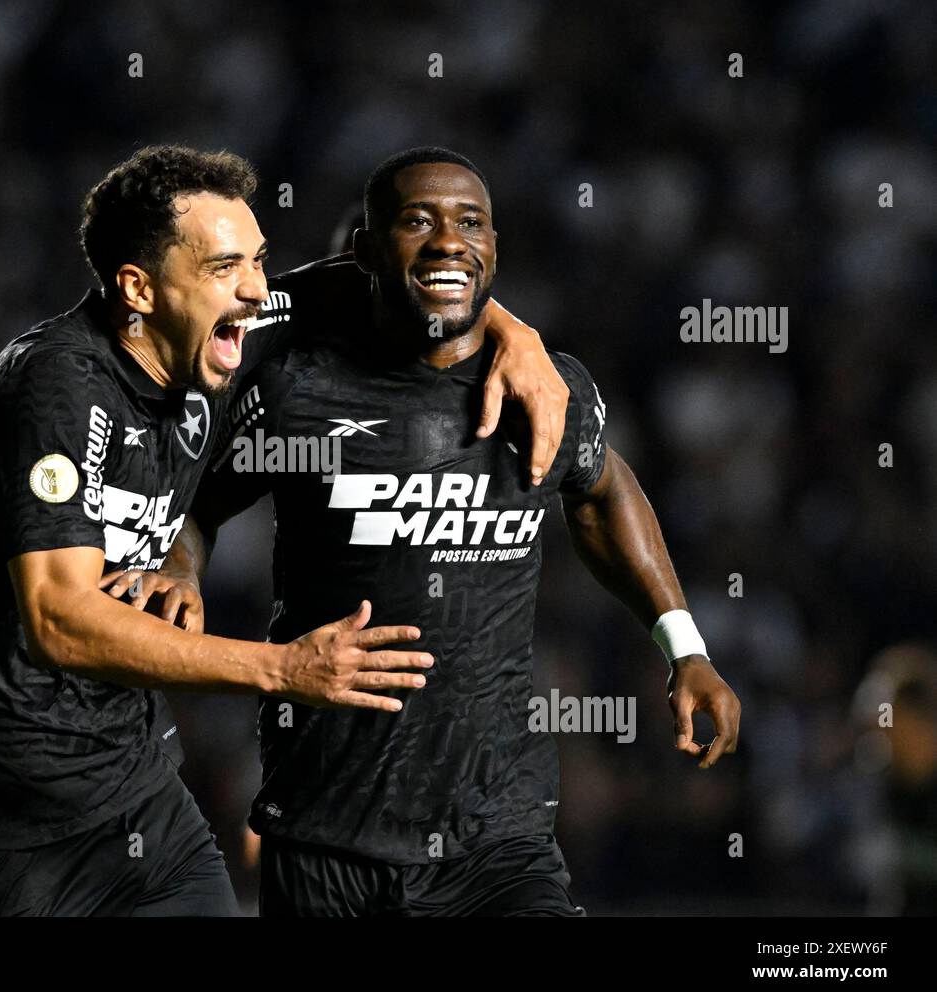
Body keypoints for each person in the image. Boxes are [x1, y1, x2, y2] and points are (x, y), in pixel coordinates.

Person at [0, 145, 565, 917]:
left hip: (140, 800)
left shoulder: (222, 338)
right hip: (3, 817)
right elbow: (58, 619)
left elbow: (389, 282)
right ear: (138, 289)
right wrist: (280, 670)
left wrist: (518, 335)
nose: (254, 290)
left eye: (259, 260)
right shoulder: (55, 387)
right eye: (223, 267)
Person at [152, 147, 743, 916]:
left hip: (496, 839)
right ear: (363, 250)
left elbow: (601, 490)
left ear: (495, 247)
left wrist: (684, 646)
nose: (447, 239)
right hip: (328, 831)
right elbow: (197, 505)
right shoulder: (298, 392)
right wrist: (182, 568)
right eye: (417, 221)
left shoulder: (548, 392)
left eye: (470, 222)